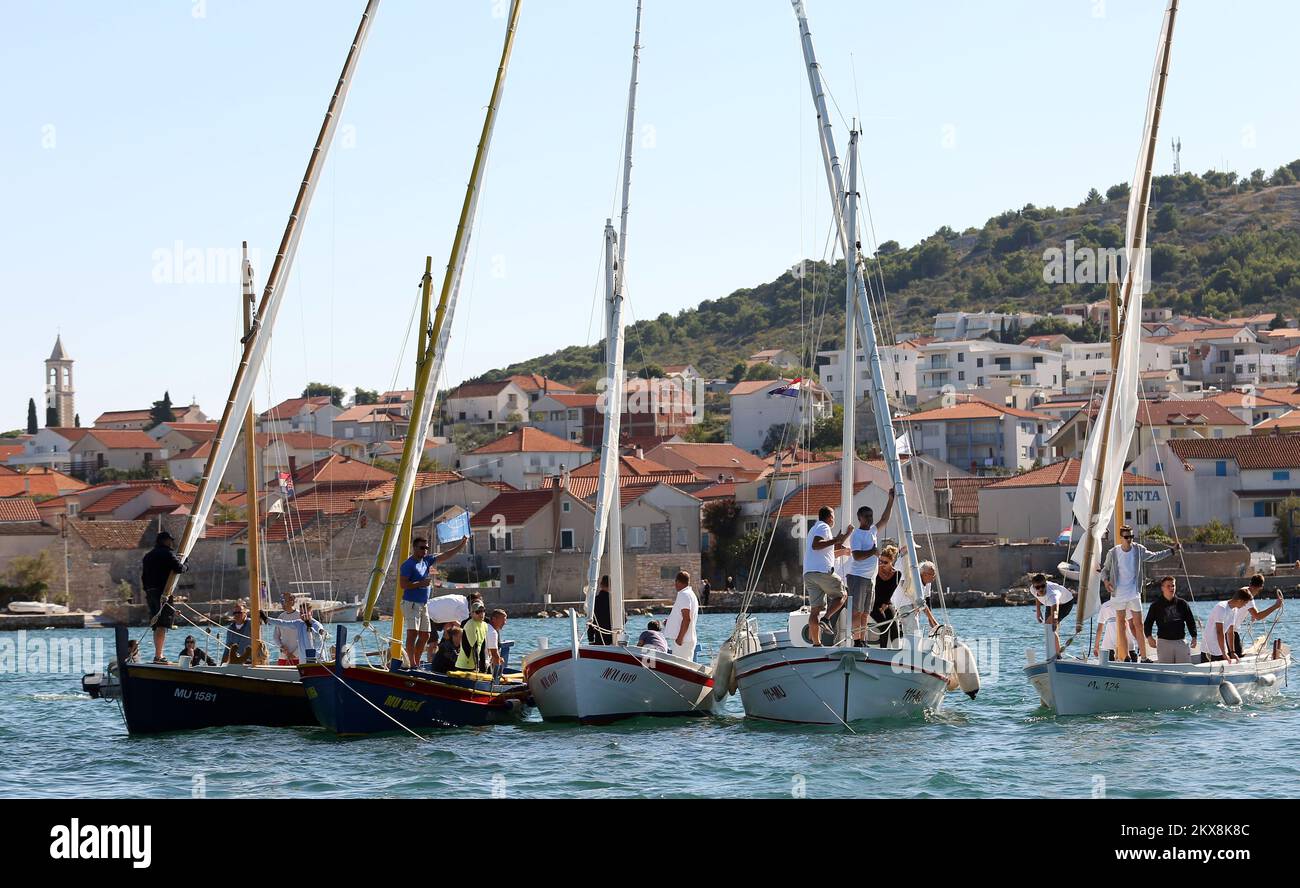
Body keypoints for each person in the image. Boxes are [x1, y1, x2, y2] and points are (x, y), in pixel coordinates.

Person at [1101, 525, 1177, 663]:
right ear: (1121, 538)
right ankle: (1125, 657)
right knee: (1121, 625)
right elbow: (1104, 570)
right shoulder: (1113, 553)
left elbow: (1154, 557)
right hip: (1118, 594)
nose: (1129, 539)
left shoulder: (1138, 549)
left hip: (1134, 592)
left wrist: (1171, 551)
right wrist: (1106, 582)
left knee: (1139, 625)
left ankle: (1144, 657)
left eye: (1131, 536)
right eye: (1126, 537)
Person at [398, 534, 468, 667]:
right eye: (422, 548)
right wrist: (420, 583)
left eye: (426, 548)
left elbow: (445, 555)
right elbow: (403, 584)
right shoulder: (408, 564)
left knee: (425, 635)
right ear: (414, 548)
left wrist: (461, 545)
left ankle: (416, 662)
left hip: (423, 604)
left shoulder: (427, 560)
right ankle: (411, 662)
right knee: (412, 633)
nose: (425, 550)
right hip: (411, 603)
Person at [846, 490, 896, 646]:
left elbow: (885, 519)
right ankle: (856, 641)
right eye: (866, 516)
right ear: (859, 518)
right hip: (858, 577)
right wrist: (872, 552)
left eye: (870, 516)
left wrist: (891, 500)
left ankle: (862, 640)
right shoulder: (856, 535)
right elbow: (856, 556)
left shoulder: (873, 531)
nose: (869, 518)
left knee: (865, 613)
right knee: (857, 612)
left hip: (870, 579)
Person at [803, 506, 851, 647]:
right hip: (822, 572)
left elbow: (827, 551)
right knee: (842, 595)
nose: (834, 519)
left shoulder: (814, 528)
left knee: (815, 610)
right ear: (830, 517)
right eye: (833, 516)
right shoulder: (824, 527)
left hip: (809, 574)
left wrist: (844, 541)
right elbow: (816, 545)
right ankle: (826, 619)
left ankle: (817, 644)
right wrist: (836, 540)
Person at [141, 530, 187, 664]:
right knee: (162, 624)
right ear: (165, 541)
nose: (172, 542)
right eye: (170, 540)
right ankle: (158, 656)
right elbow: (180, 568)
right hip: (163, 593)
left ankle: (158, 654)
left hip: (150, 592)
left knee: (156, 624)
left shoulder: (148, 556)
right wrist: (186, 563)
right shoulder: (167, 554)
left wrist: (147, 590)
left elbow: (143, 576)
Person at [1142, 576, 1197, 664]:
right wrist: (1149, 637)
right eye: (1168, 586)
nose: (1171, 588)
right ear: (1162, 588)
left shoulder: (1182, 604)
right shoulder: (1155, 606)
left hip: (1181, 641)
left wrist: (1194, 636)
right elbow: (1148, 623)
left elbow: (1191, 621)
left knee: (1184, 670)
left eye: (1173, 586)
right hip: (1164, 642)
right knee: (1166, 671)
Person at [1231, 574, 1283, 657]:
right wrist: (1275, 606)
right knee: (1238, 657)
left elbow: (1245, 608)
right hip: (1231, 631)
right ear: (1261, 587)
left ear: (1250, 583)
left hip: (1228, 628)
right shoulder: (1249, 597)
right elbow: (1258, 616)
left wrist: (1252, 613)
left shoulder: (1243, 590)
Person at [1031, 573, 1075, 658]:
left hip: (1066, 603)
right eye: (1037, 587)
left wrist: (1055, 621)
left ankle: (1058, 655)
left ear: (1046, 584)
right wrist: (1038, 611)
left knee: (1049, 626)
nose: (1040, 589)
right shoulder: (1032, 589)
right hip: (1050, 604)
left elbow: (1056, 609)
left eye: (1043, 586)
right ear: (1034, 587)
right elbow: (1037, 597)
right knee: (1049, 627)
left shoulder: (1053, 595)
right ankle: (1055, 652)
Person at [1202, 589, 1252, 663]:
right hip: (1209, 649)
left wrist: (1232, 652)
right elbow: (1219, 631)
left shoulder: (1234, 610)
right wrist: (1224, 653)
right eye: (1245, 603)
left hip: (1221, 648)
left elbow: (1230, 632)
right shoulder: (1221, 607)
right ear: (1240, 600)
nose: (1244, 605)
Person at [870, 545, 903, 648]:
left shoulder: (897, 574)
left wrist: (885, 605)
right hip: (873, 603)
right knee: (883, 624)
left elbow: (890, 592)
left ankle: (896, 649)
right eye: (880, 561)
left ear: (892, 562)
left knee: (893, 623)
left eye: (885, 562)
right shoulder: (875, 570)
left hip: (886, 602)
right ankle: (883, 650)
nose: (882, 564)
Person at [664, 571, 700, 661]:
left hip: (683, 641)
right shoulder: (690, 594)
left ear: (677, 582)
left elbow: (687, 619)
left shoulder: (684, 595)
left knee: (680, 669)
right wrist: (670, 622)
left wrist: (679, 639)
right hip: (686, 639)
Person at [1094, 596, 1139, 662]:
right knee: (1132, 660)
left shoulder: (1105, 605)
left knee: (1109, 662)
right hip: (1126, 639)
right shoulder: (1126, 604)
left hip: (1109, 641)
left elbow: (1099, 628)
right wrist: (1139, 641)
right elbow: (1132, 626)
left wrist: (1096, 646)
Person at [457, 601, 490, 672]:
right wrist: (477, 668)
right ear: (471, 614)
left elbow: (482, 646)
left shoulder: (484, 625)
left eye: (483, 611)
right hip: (464, 665)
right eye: (478, 612)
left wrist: (483, 667)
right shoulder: (470, 625)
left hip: (474, 664)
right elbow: (474, 647)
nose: (481, 614)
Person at [587, 575, 613, 644]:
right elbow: (624, 620)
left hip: (599, 640)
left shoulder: (593, 601)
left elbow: (590, 622)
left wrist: (590, 640)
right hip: (614, 639)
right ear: (611, 586)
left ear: (601, 585)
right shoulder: (614, 601)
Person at [485, 609, 507, 673]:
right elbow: (495, 655)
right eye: (502, 620)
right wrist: (498, 674)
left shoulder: (485, 627)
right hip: (484, 665)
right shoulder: (492, 632)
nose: (505, 623)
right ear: (494, 619)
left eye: (505, 620)